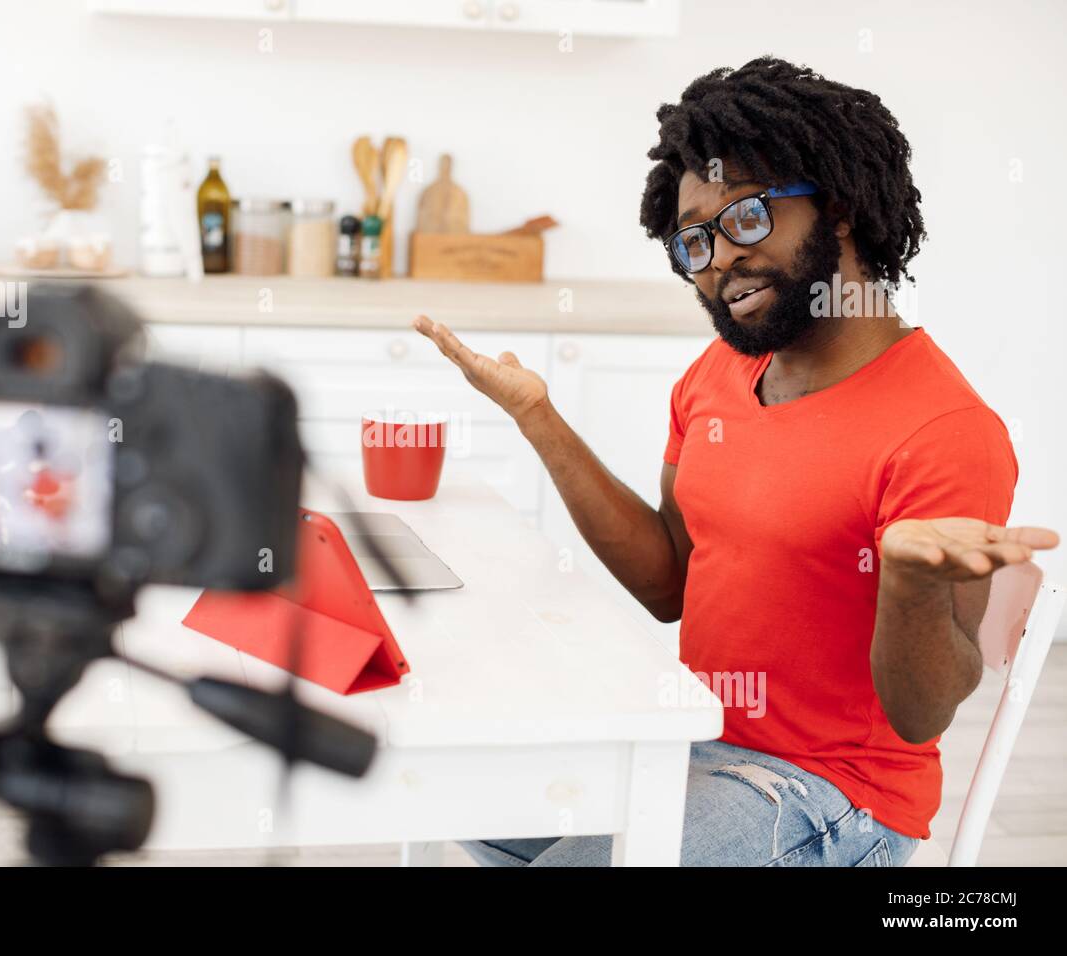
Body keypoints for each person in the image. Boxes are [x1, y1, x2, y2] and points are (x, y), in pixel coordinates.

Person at [412, 56, 1058, 866]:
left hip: (830, 794)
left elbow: (921, 715)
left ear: (842, 206)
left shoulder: (945, 428)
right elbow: (667, 583)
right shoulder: (718, 376)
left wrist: (911, 582)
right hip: (687, 735)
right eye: (694, 240)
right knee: (448, 779)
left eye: (746, 219)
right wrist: (537, 416)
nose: (717, 259)